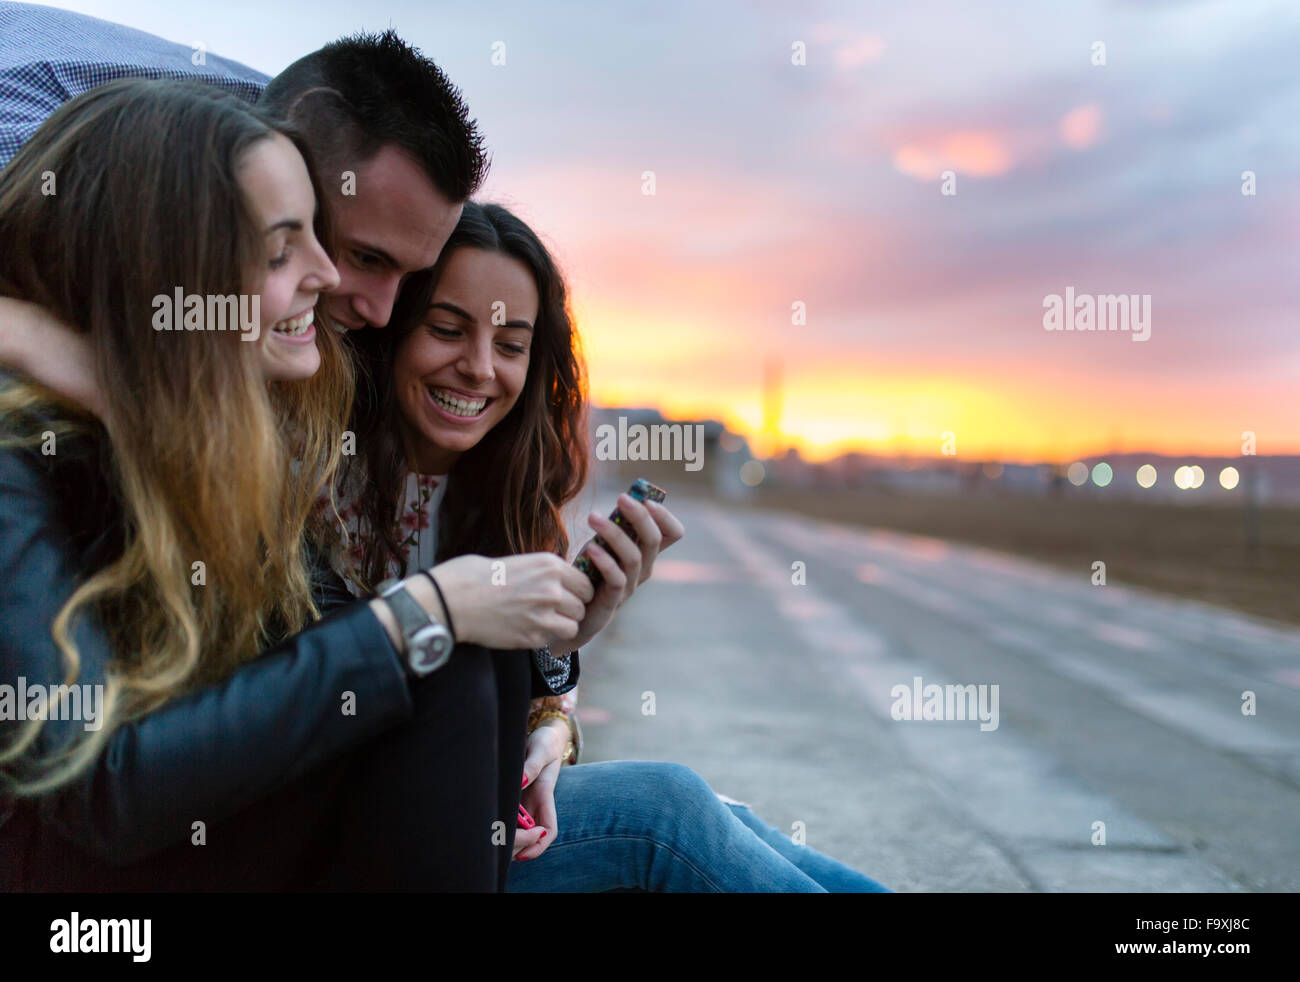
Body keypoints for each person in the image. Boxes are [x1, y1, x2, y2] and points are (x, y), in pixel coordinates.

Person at [0, 78, 584, 892]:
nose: (326, 274)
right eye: (282, 249)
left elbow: (311, 622)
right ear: (173, 265)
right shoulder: (24, 454)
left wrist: (542, 663)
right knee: (453, 662)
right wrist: (422, 617)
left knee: (466, 658)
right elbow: (103, 787)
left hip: (211, 834)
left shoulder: (221, 436)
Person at [337, 201, 892, 892]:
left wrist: (560, 685)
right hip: (361, 842)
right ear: (391, 328)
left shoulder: (495, 488)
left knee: (724, 820)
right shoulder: (328, 486)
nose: (479, 367)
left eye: (511, 345)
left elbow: (517, 687)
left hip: (468, 812)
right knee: (665, 811)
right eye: (447, 330)